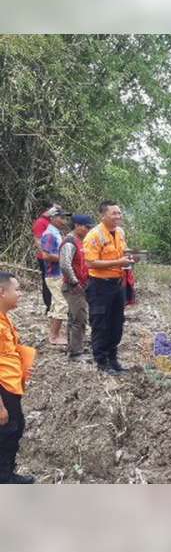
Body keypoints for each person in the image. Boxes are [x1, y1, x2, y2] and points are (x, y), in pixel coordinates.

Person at [83, 200, 136, 375]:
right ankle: (101, 361)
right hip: (99, 286)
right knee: (101, 323)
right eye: (114, 213)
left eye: (119, 213)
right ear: (103, 215)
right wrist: (118, 262)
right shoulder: (94, 235)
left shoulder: (120, 232)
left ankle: (113, 359)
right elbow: (91, 262)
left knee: (117, 324)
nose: (118, 217)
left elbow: (123, 252)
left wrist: (131, 258)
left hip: (117, 284)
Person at [0, 272, 36, 484]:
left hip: (11, 385)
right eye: (17, 289)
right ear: (2, 292)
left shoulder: (5, 320)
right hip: (3, 389)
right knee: (8, 431)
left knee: (15, 428)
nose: (20, 294)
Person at [59, 214, 94, 361]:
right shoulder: (69, 242)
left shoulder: (79, 241)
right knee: (79, 319)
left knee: (74, 317)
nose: (88, 230)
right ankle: (76, 353)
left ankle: (73, 347)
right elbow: (65, 264)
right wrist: (75, 282)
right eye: (86, 227)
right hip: (74, 287)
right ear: (77, 225)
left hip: (79, 285)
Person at [39, 206, 72, 345]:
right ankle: (54, 336)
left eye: (65, 218)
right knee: (62, 304)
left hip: (57, 273)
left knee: (56, 303)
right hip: (54, 274)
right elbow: (46, 255)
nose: (64, 220)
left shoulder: (56, 233)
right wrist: (65, 259)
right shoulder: (50, 234)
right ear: (52, 219)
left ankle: (54, 334)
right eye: (61, 217)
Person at [32, 204, 58, 314]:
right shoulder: (41, 222)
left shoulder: (52, 222)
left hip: (54, 257)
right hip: (46, 258)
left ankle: (55, 305)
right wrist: (46, 254)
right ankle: (49, 306)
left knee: (55, 280)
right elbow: (37, 240)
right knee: (47, 281)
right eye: (56, 209)